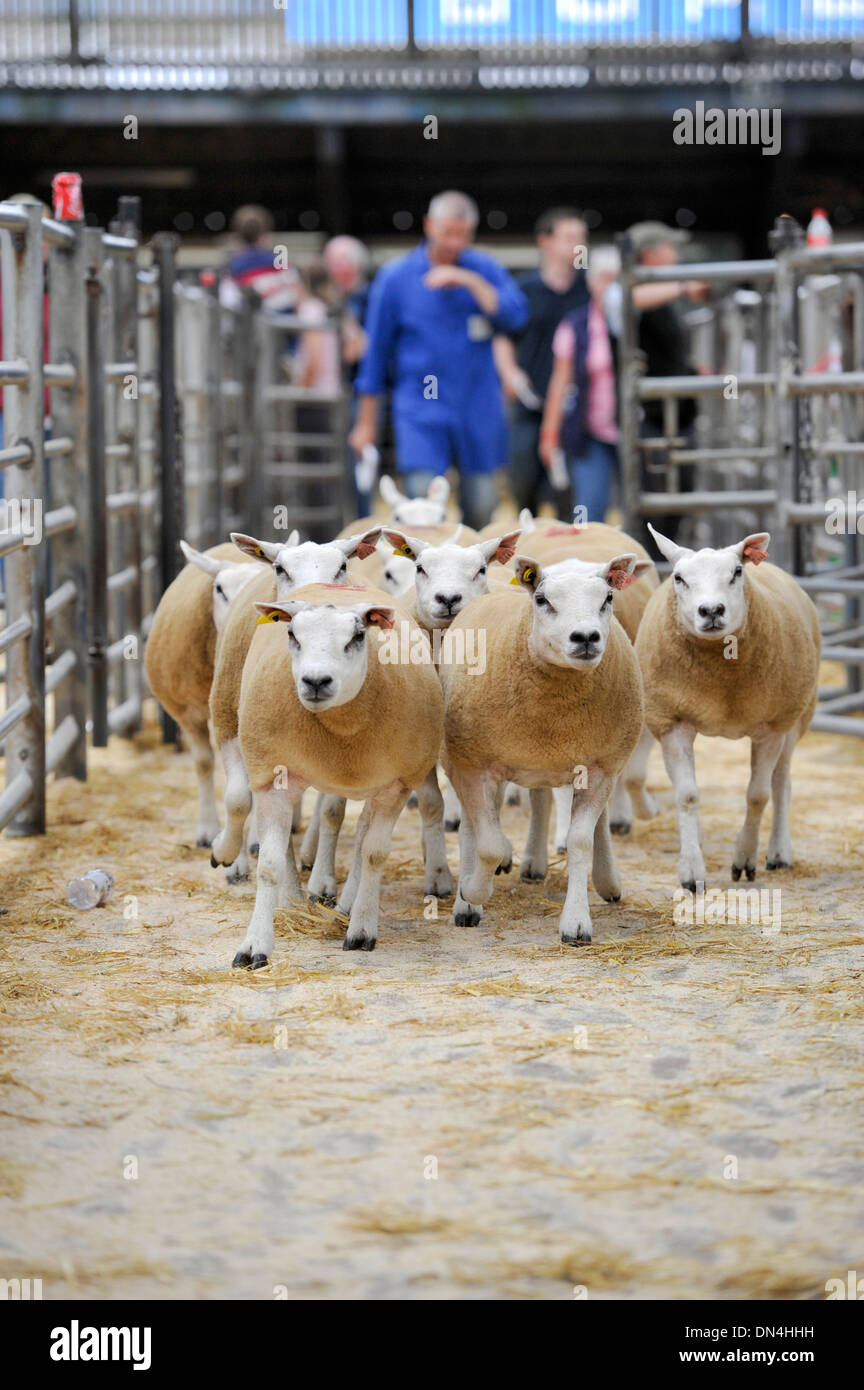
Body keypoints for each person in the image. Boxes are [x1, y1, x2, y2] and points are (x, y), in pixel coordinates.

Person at [350, 190, 528, 531]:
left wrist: (470, 281)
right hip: (420, 407)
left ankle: (470, 572)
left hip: (478, 405)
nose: (455, 243)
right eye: (448, 233)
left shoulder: (485, 268)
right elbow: (375, 355)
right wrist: (365, 421)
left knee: (482, 501)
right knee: (422, 501)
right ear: (429, 226)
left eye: (463, 234)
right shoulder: (395, 278)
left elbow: (516, 316)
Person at [613, 221, 709, 548]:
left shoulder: (664, 297)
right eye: (670, 248)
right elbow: (629, 299)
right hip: (651, 416)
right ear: (651, 253)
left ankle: (666, 571)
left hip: (676, 414)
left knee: (676, 500)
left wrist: (694, 370)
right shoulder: (631, 289)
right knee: (652, 504)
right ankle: (652, 571)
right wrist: (683, 286)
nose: (676, 254)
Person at [495, 207, 590, 519]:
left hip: (576, 407)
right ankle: (529, 552)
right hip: (530, 402)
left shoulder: (589, 290)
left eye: (582, 238)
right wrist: (510, 374)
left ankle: (571, 556)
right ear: (545, 242)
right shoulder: (524, 289)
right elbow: (502, 337)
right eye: (570, 237)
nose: (578, 245)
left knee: (571, 491)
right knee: (523, 482)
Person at [539, 249, 621, 523]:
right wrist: (550, 434)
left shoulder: (640, 324)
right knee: (589, 507)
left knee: (639, 508)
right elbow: (560, 381)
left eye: (617, 280)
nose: (610, 287)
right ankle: (591, 562)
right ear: (592, 282)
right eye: (604, 279)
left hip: (635, 433)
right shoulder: (576, 324)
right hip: (590, 432)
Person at [324, 235, 375, 514]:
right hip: (328, 391)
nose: (340, 270)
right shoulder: (326, 300)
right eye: (334, 264)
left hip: (360, 389)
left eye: (345, 264)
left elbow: (363, 350)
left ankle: (362, 520)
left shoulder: (369, 299)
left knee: (359, 459)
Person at [219, 204, 298, 312]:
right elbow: (298, 297)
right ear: (265, 234)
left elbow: (228, 302)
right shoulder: (280, 262)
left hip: (247, 323)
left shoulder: (232, 266)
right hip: (282, 322)